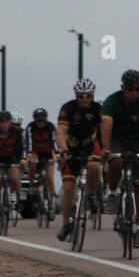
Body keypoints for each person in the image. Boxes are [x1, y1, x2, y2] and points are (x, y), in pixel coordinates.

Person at [100, 69, 139, 249]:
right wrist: (106, 149)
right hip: (118, 140)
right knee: (116, 161)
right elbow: (106, 125)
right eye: (130, 89)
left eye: (137, 90)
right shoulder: (112, 101)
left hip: (138, 142)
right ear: (122, 87)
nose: (134, 93)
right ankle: (113, 191)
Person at [56, 78, 104, 242]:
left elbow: (104, 130)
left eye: (88, 96)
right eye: (82, 96)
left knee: (95, 166)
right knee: (68, 188)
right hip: (71, 148)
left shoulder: (98, 109)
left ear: (92, 96)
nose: (85, 99)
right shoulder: (68, 108)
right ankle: (65, 225)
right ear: (77, 95)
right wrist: (63, 150)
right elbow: (61, 131)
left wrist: (106, 149)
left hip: (90, 145)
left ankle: (91, 194)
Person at [23, 108, 57, 216]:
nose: (40, 124)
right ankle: (33, 185)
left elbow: (54, 142)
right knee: (32, 162)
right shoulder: (30, 127)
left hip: (47, 153)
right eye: (38, 121)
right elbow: (29, 143)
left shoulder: (50, 127)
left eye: (42, 121)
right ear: (34, 121)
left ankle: (51, 203)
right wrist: (28, 155)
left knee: (50, 178)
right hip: (35, 151)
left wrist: (57, 154)